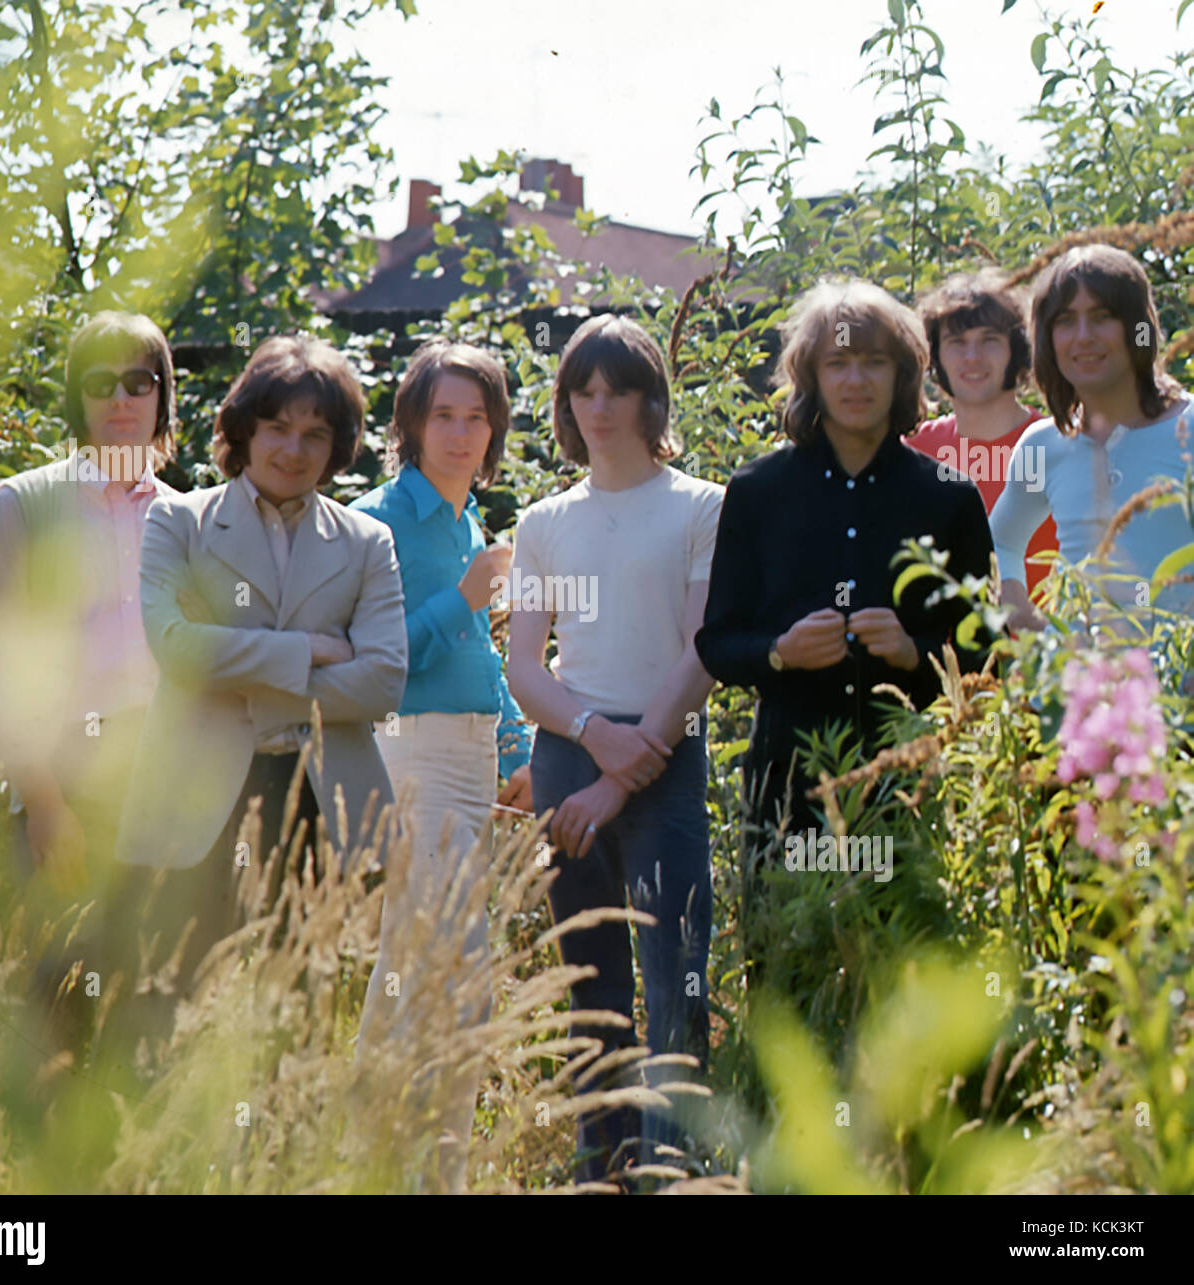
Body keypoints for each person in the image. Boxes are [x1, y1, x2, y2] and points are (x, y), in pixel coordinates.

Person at [113, 335, 407, 1004]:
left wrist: (242, 680)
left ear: (338, 447)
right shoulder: (178, 520)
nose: (293, 449)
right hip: (194, 799)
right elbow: (176, 650)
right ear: (243, 428)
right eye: (277, 427)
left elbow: (384, 679)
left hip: (324, 804)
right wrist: (305, 651)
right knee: (167, 1007)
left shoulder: (368, 542)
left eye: (315, 433)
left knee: (301, 1019)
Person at [506, 314, 722, 1184]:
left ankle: (671, 1170)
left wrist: (635, 759)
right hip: (567, 751)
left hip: (668, 753)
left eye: (618, 388)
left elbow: (702, 648)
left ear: (650, 397)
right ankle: (604, 1166)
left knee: (677, 977)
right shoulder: (545, 520)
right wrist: (597, 744)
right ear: (565, 402)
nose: (599, 407)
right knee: (590, 985)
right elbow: (525, 666)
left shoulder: (703, 505)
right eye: (582, 390)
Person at [694, 279, 994, 839]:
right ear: (810, 376)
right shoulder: (757, 491)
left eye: (874, 362)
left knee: (904, 929)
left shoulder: (949, 497)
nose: (856, 380)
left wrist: (916, 654)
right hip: (789, 790)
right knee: (792, 930)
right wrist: (780, 653)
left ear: (903, 373)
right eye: (838, 363)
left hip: (910, 789)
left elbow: (990, 652)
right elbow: (718, 644)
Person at [0, 310, 181, 1055]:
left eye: (138, 381)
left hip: (165, 795)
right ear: (76, 397)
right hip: (62, 791)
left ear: (162, 397)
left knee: (152, 1014)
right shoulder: (22, 506)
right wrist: (47, 802)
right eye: (100, 381)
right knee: (55, 1009)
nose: (120, 398)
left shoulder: (190, 519)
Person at [349, 338, 534, 1192]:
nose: (461, 433)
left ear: (495, 431)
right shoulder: (377, 519)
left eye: (477, 417)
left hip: (469, 757)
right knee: (444, 972)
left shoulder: (468, 520)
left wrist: (518, 749)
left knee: (430, 972)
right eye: (443, 415)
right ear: (412, 424)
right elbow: (377, 660)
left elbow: (483, 660)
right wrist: (462, 597)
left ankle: (418, 1172)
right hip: (409, 750)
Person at [990, 244, 1194, 631]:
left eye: (1103, 317)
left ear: (1139, 328)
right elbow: (1002, 543)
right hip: (1076, 687)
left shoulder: (1189, 427)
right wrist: (1028, 625)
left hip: (1175, 687)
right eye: (1065, 321)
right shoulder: (1040, 447)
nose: (1083, 337)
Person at [910, 270, 1058, 595]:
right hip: (947, 646)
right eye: (956, 342)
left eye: (989, 340)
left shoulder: (1059, 445)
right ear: (934, 355)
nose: (972, 357)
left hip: (1047, 643)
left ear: (1017, 349)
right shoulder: (913, 452)